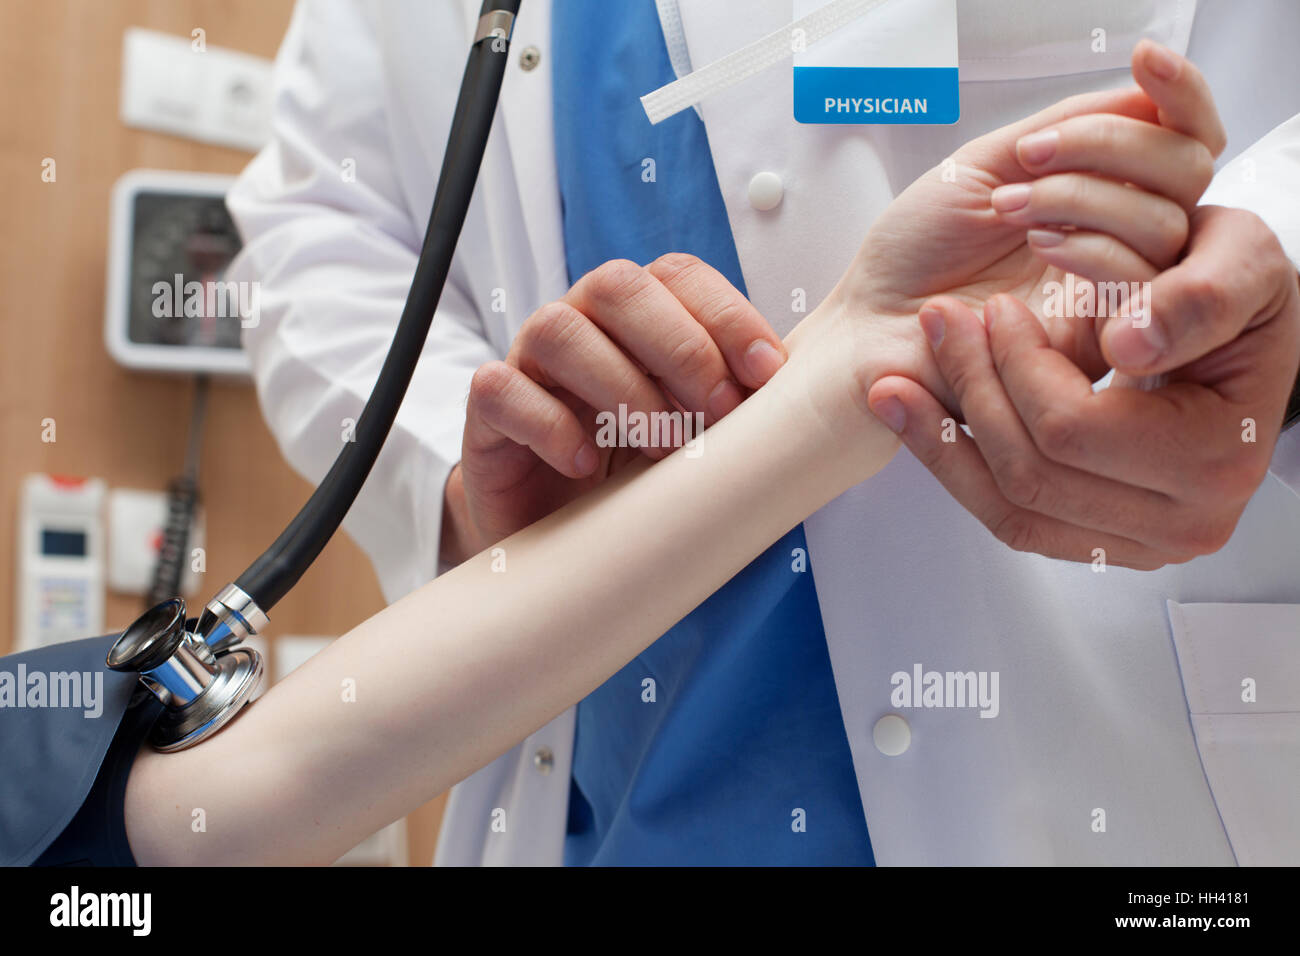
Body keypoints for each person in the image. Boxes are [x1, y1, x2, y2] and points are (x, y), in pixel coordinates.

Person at [225, 0, 1300, 865]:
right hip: (612, 789)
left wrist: (1277, 270)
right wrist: (462, 479)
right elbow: (320, 223)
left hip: (1099, 738)